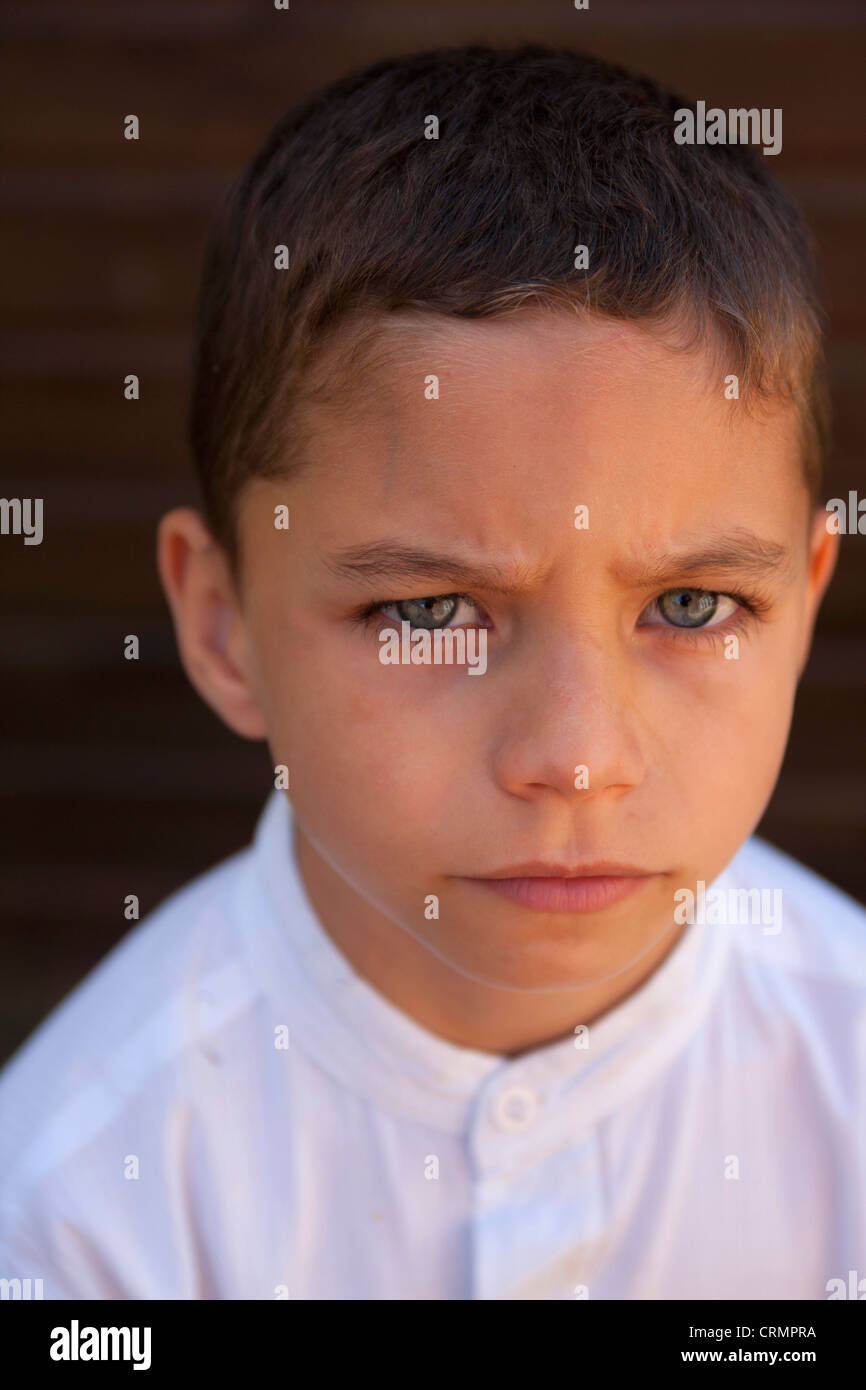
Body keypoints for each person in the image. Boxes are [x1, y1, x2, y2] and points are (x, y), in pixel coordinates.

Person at [1, 44, 863, 1301]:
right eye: (428, 609)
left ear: (804, 601)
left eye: (690, 604)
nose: (574, 755)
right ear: (222, 623)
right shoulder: (72, 1220)